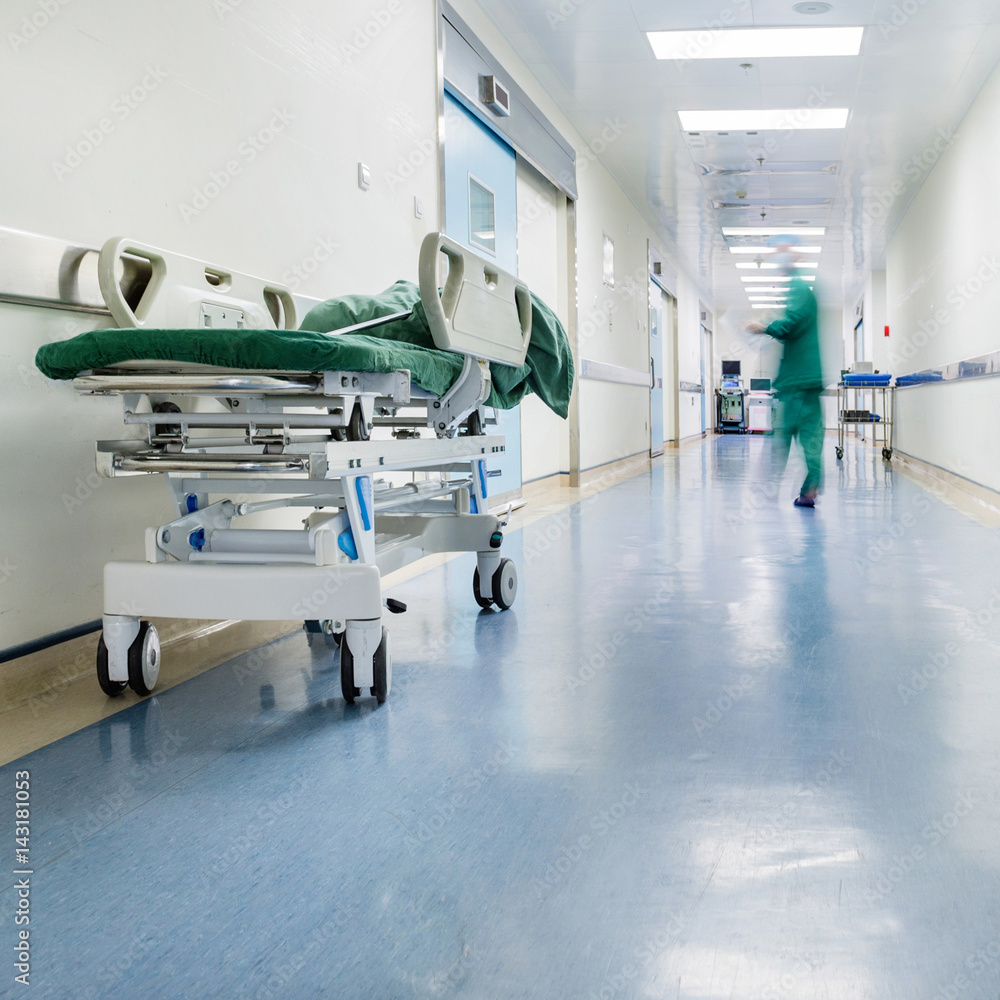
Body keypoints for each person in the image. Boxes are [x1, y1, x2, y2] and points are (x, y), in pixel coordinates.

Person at [747, 236, 824, 508]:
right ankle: (809, 489)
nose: (776, 256)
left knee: (781, 433)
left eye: (780, 251)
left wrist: (763, 327)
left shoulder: (798, 286)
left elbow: (791, 324)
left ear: (794, 255)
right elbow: (797, 329)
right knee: (811, 436)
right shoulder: (802, 288)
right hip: (808, 377)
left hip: (797, 380)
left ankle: (768, 486)